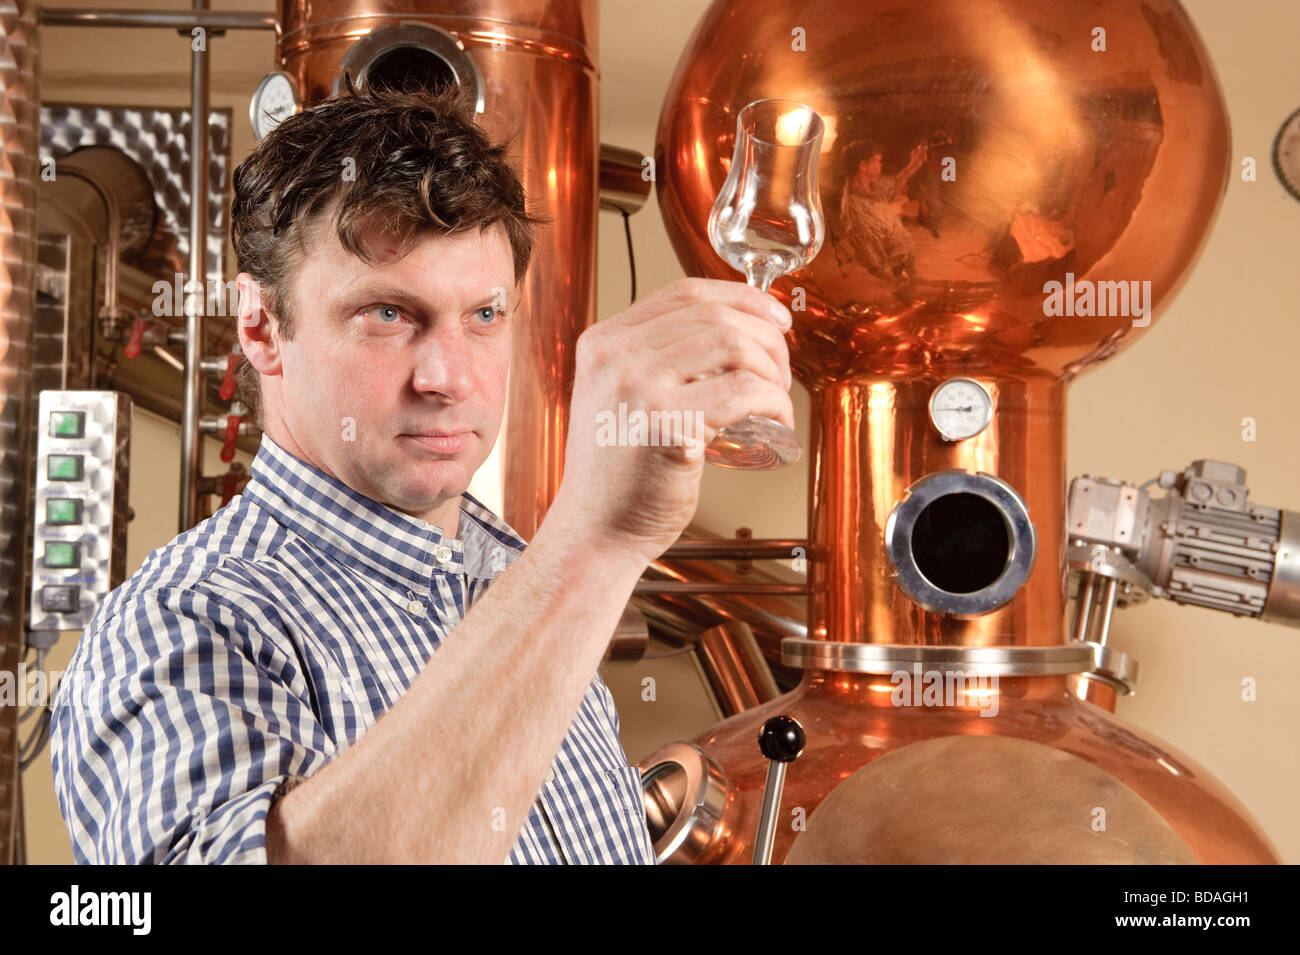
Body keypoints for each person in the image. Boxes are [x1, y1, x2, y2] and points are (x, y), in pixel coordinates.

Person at [47, 78, 794, 864]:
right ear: (262, 325)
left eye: (483, 316)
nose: (449, 377)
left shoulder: (512, 574)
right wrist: (592, 548)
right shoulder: (183, 623)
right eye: (388, 314)